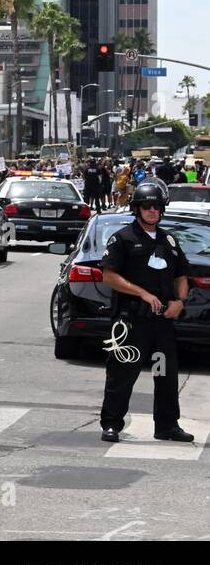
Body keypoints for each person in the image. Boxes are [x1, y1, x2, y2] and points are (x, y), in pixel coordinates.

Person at [99, 180, 195, 444]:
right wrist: (141, 292)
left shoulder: (169, 240)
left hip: (161, 323)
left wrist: (180, 302)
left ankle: (166, 426)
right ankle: (111, 424)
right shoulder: (123, 239)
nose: (152, 211)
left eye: (157, 207)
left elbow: (182, 275)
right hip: (132, 322)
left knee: (165, 374)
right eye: (147, 206)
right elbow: (109, 275)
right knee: (122, 373)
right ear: (137, 209)